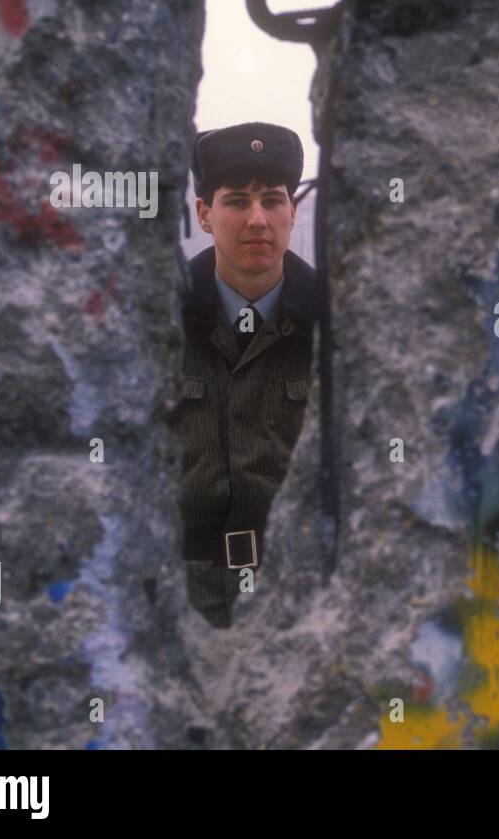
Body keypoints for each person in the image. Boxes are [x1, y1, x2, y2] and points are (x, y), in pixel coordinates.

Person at [177, 122, 316, 628]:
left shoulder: (335, 323)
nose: (258, 219)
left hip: (302, 597)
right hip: (181, 596)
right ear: (205, 214)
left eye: (274, 201)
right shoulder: (159, 320)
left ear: (293, 211)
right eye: (237, 200)